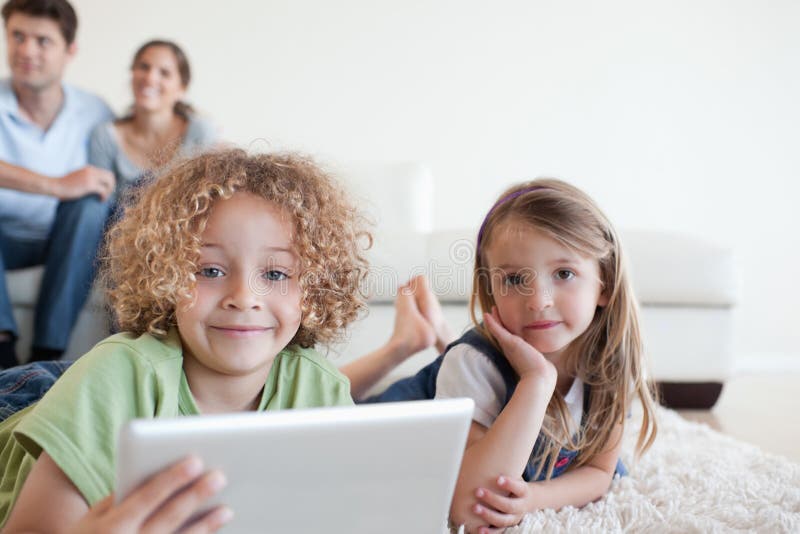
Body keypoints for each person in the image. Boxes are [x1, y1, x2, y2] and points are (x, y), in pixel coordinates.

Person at [0, 148, 371, 531]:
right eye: (210, 270)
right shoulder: (116, 377)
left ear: (313, 290)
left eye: (275, 274)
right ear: (166, 276)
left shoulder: (322, 389)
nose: (244, 297)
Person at [346, 179, 660, 533]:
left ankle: (434, 334)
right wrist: (537, 381)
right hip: (386, 424)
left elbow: (600, 472)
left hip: (464, 377)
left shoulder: (611, 362)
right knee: (318, 404)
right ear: (491, 290)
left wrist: (534, 498)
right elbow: (471, 510)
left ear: (605, 283)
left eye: (564, 273)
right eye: (513, 280)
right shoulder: (473, 362)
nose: (538, 300)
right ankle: (403, 343)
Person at [0, 0, 115, 368]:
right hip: (5, 238)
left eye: (42, 41)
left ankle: (46, 355)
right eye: (18, 36)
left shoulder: (95, 111)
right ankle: (3, 351)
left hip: (65, 242)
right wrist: (56, 185)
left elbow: (123, 167)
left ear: (70, 50)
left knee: (92, 204)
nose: (26, 50)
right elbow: (62, 185)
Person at [89, 39, 218, 201]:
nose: (150, 78)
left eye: (164, 73)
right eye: (144, 67)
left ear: (182, 88)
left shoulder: (200, 132)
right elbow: (99, 205)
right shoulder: (105, 136)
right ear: (132, 74)